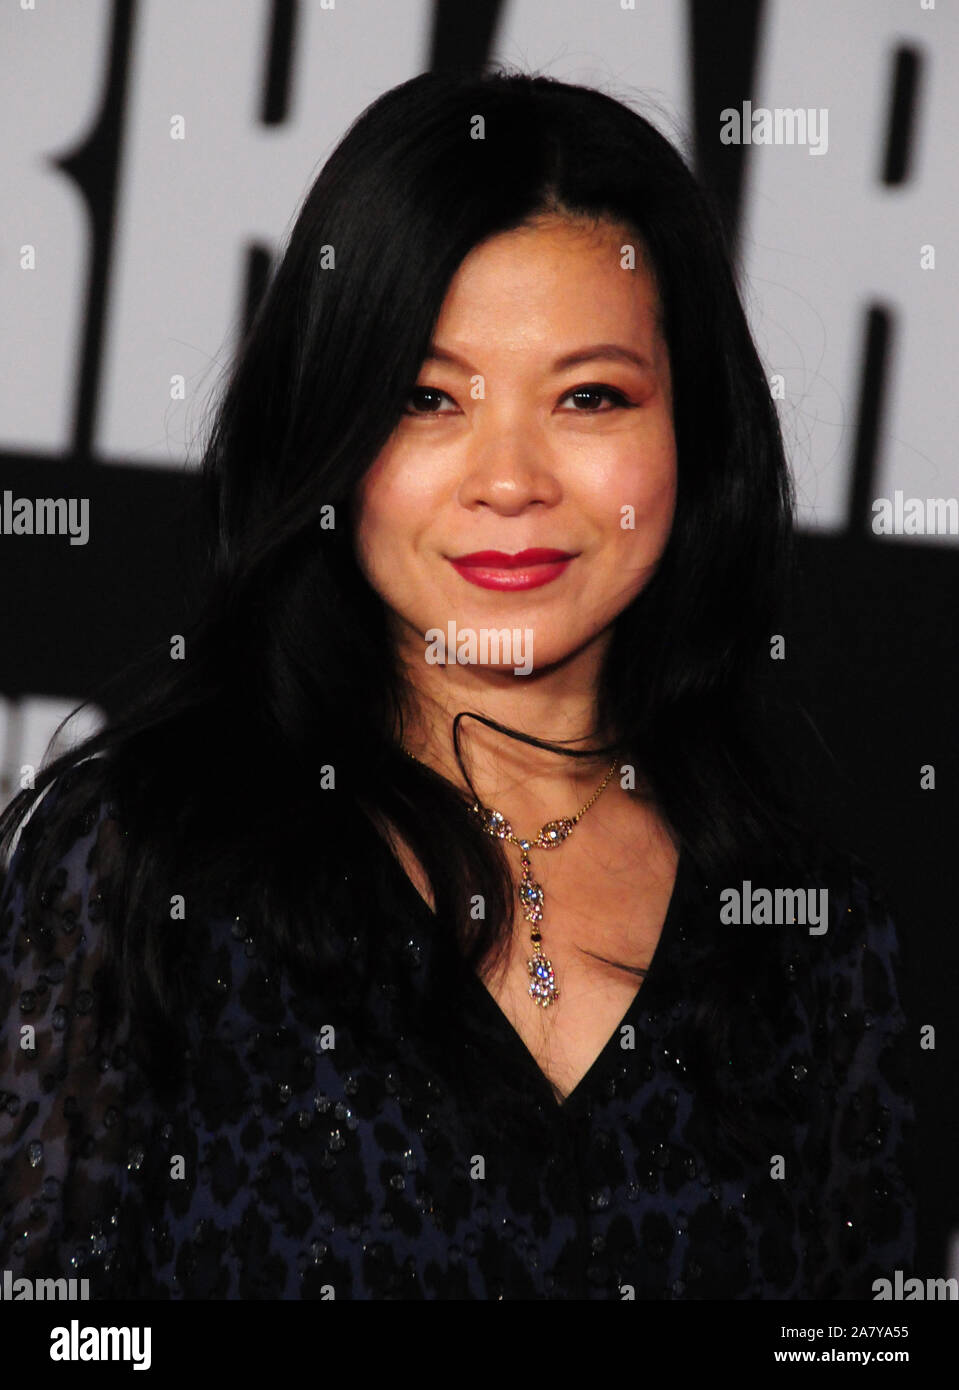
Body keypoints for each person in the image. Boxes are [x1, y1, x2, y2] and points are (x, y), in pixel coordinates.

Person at [0, 68, 914, 1300]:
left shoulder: (809, 941)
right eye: (428, 398)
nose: (510, 479)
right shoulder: (142, 862)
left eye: (589, 396)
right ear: (332, 429)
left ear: (693, 434)